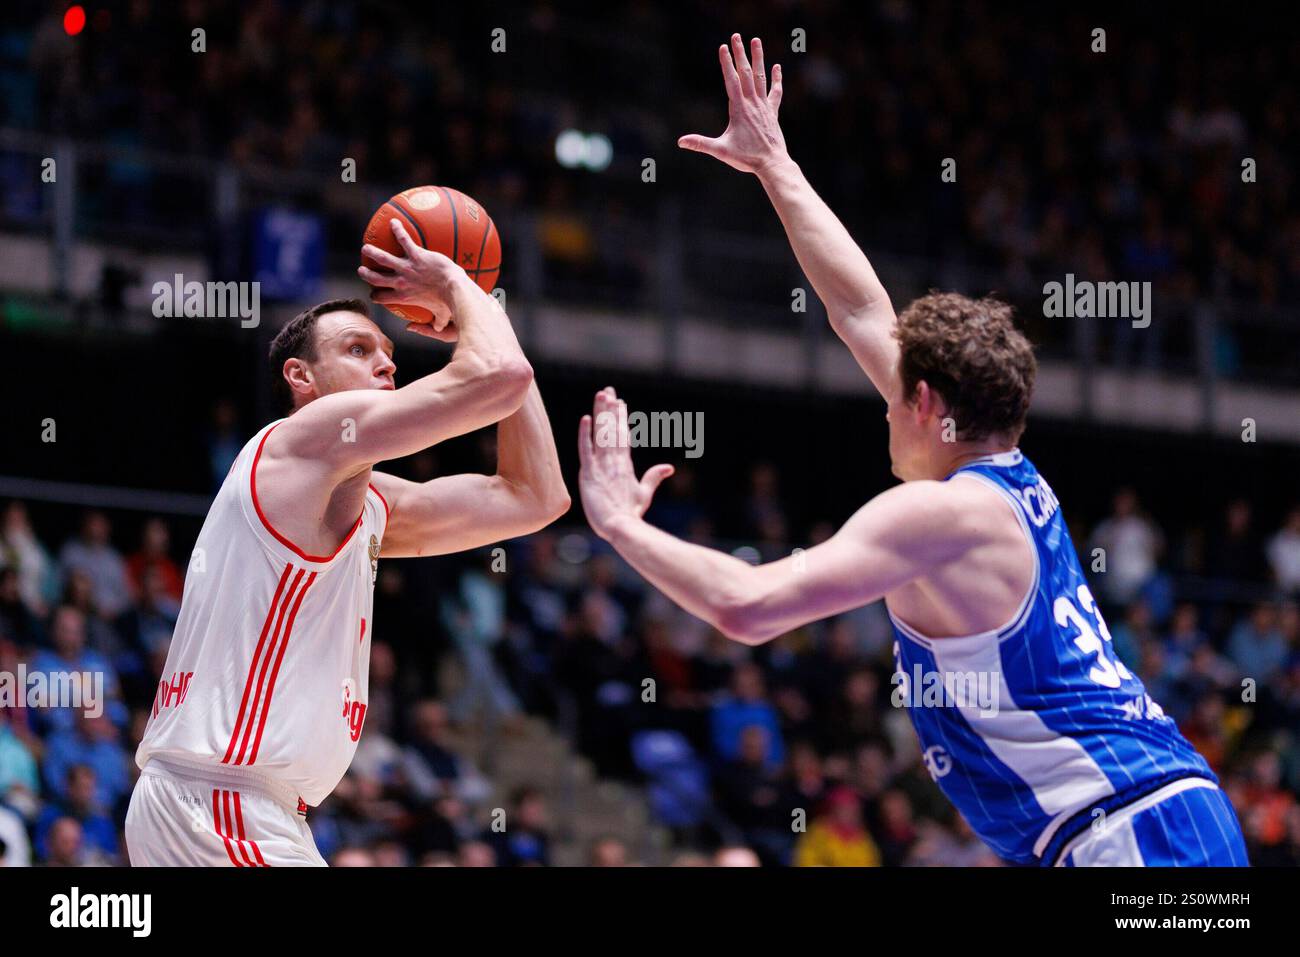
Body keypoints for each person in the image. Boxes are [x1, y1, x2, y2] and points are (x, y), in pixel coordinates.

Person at [576, 34, 1247, 867]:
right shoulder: (1004, 475)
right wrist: (774, 164)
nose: (884, 410)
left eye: (897, 396)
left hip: (1132, 832)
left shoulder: (942, 513)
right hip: (1144, 818)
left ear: (925, 403)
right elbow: (859, 309)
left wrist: (620, 527)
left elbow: (750, 605)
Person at [125, 222, 569, 866]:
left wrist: (484, 323)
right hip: (219, 806)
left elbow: (535, 496)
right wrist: (458, 285)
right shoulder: (297, 441)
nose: (387, 360)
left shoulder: (368, 502)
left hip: (253, 810)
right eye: (359, 349)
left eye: (388, 349)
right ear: (300, 377)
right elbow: (498, 375)